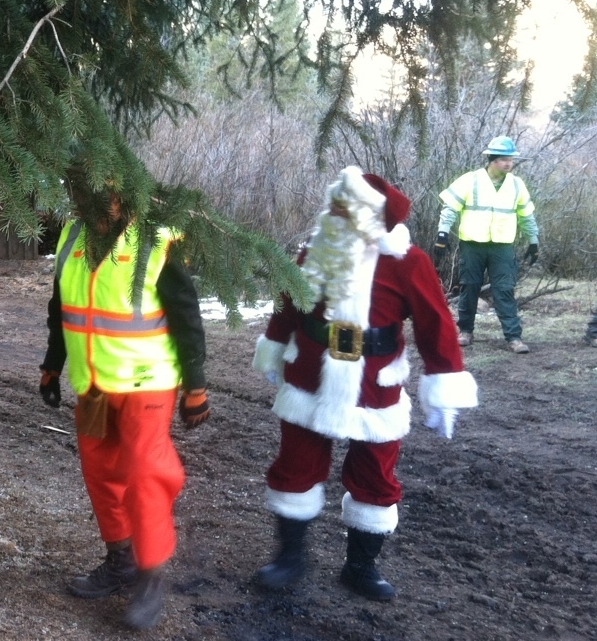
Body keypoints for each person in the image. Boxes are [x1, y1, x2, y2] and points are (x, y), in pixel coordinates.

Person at [251, 166, 477, 602]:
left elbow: (437, 325)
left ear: (367, 216)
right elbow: (288, 305)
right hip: (310, 378)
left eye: (343, 206)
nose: (332, 211)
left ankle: (361, 567)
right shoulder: (315, 253)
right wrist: (275, 347)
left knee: (375, 473)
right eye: (333, 203)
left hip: (374, 386)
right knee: (295, 465)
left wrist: (444, 383)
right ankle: (290, 557)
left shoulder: (408, 262)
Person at [38, 178, 210, 630]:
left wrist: (196, 386)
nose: (100, 207)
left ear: (125, 197)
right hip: (92, 384)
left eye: (110, 197)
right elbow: (62, 305)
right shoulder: (73, 235)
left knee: (143, 472)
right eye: (89, 197)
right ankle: (122, 561)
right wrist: (52, 364)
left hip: (147, 382)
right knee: (100, 474)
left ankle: (151, 575)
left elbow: (186, 314)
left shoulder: (157, 240)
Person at [434, 136, 539, 354]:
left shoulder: (516, 185)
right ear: (492, 160)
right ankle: (465, 331)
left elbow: (526, 215)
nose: (509, 163)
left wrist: (533, 240)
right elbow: (450, 208)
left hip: (502, 246)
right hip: (473, 244)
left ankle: (514, 337)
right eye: (504, 159)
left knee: (504, 290)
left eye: (511, 159)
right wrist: (442, 235)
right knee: (469, 287)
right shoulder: (470, 180)